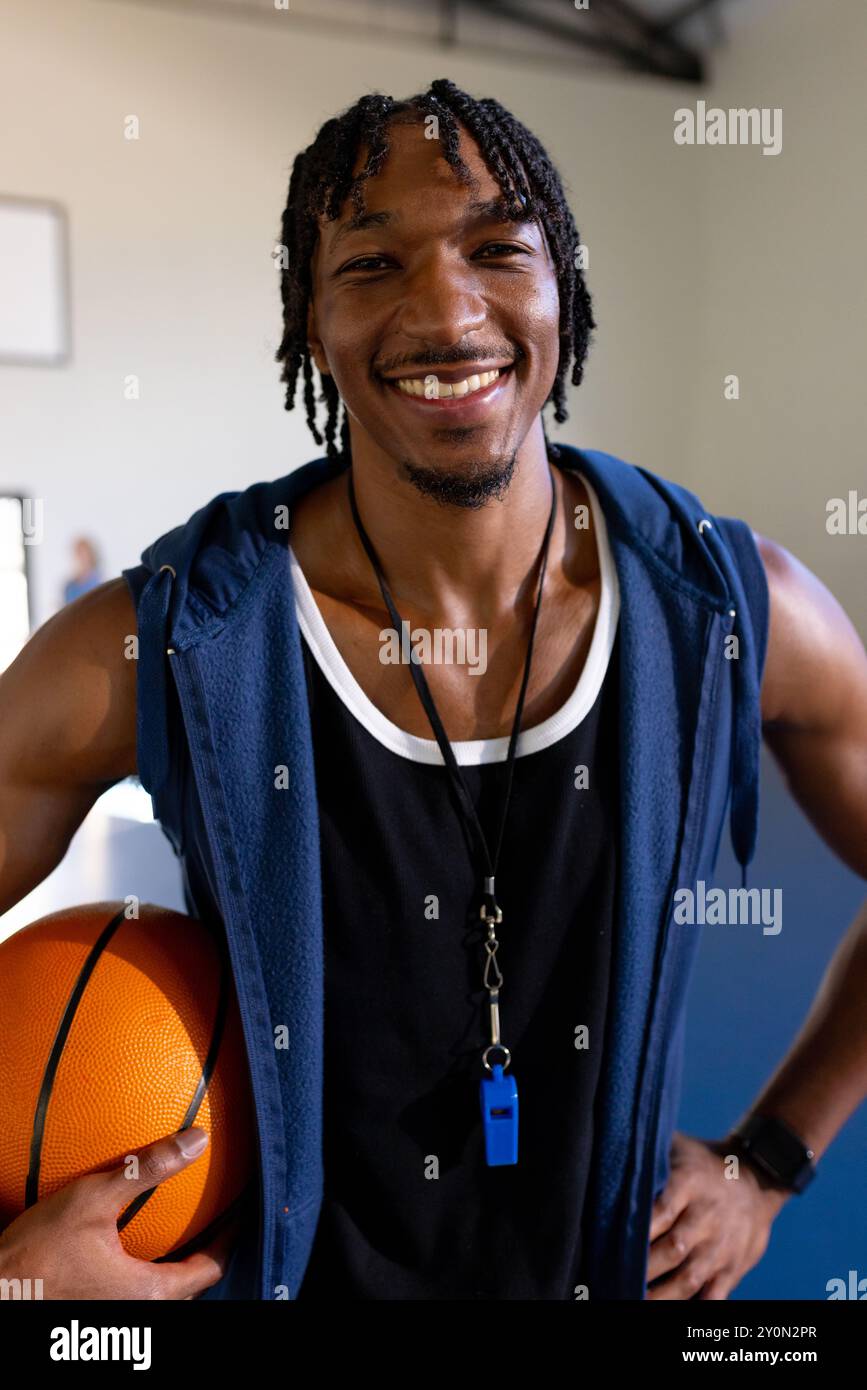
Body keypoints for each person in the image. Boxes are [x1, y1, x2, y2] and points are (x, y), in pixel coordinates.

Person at [0, 79, 866, 1302]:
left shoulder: (732, 613)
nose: (446, 309)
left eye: (498, 248)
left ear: (563, 286)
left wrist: (770, 1164)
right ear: (308, 319)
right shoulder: (163, 644)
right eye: (372, 264)